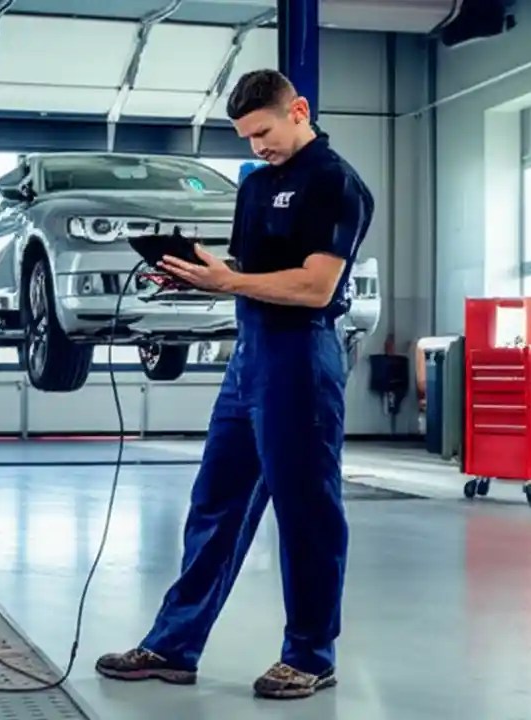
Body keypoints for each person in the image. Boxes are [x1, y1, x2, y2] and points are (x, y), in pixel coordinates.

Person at [93, 68, 375, 700]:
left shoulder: (335, 182)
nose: (256, 146)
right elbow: (251, 272)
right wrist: (201, 276)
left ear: (298, 111)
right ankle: (173, 645)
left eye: (264, 132)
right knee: (215, 503)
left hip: (301, 358)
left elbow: (315, 287)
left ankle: (310, 656)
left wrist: (229, 282)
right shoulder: (255, 186)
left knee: (305, 513)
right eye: (246, 137)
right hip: (249, 357)